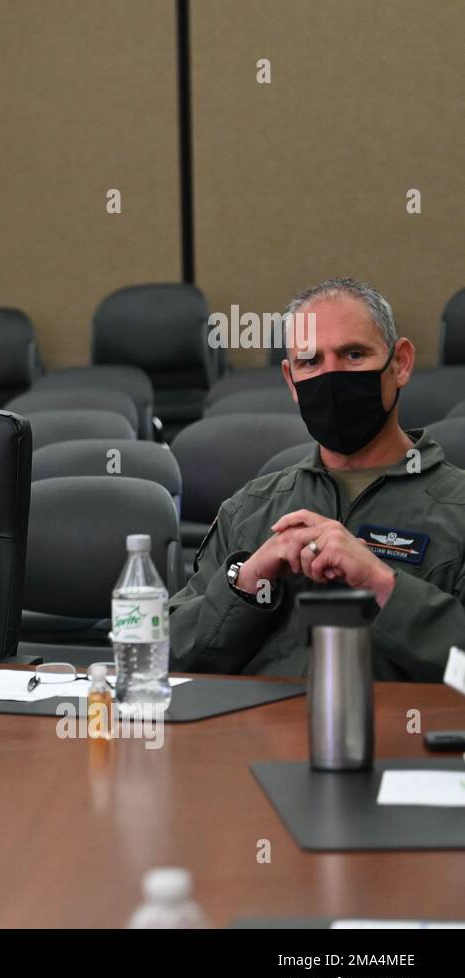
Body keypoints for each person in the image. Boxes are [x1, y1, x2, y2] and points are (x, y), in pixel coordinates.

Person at [169, 277, 465, 681]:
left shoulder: (458, 509)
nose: (332, 376)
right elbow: (169, 662)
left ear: (401, 364)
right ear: (292, 381)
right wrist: (247, 580)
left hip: (396, 739)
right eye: (311, 361)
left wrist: (380, 583)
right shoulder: (251, 509)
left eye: (353, 354)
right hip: (253, 738)